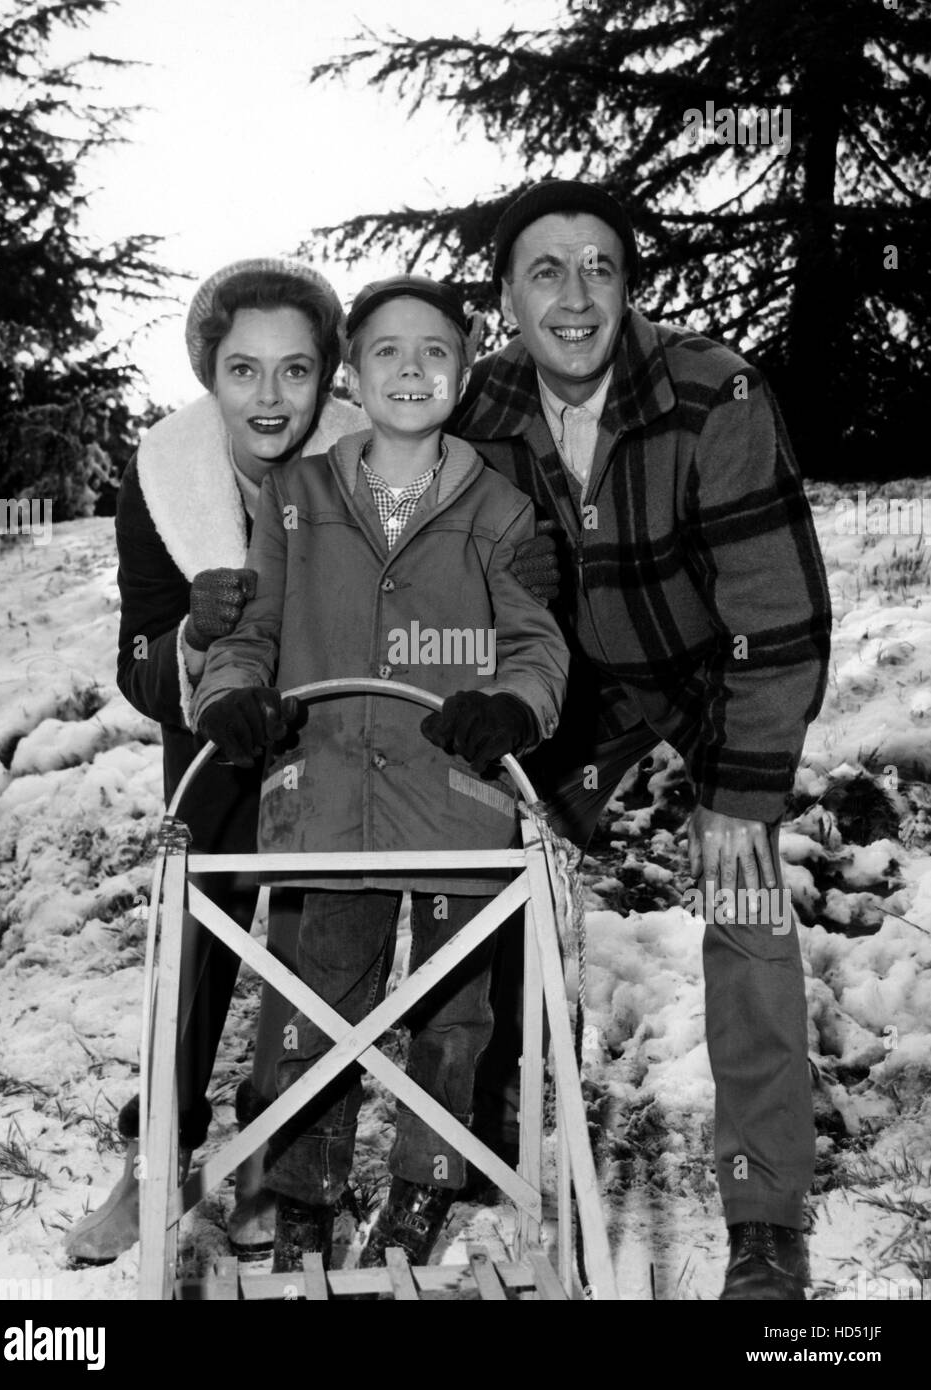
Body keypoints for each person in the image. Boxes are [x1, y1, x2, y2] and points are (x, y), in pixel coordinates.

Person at [452, 181, 832, 1301]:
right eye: (544, 272)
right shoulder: (478, 410)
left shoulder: (715, 394)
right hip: (574, 682)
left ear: (630, 286)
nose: (575, 297)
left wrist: (739, 797)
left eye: (600, 268)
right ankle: (474, 1143)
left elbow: (781, 615)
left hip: (719, 668)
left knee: (748, 899)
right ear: (505, 299)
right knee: (485, 867)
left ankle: (764, 1219)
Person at [191, 274, 570, 1271]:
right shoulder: (297, 497)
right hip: (326, 794)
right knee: (316, 1008)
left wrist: (512, 705)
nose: (412, 369)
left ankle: (421, 1189)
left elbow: (533, 643)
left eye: (435, 350)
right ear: (353, 372)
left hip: (453, 801)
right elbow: (254, 630)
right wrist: (229, 693)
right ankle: (304, 1195)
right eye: (388, 351)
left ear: (464, 366)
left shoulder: (496, 507)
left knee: (454, 1017)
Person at [64, 258, 366, 1264]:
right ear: (210, 374)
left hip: (329, 732)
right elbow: (138, 667)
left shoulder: (370, 456)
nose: (269, 397)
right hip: (213, 742)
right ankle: (155, 1154)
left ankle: (274, 1157)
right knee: (192, 940)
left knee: (307, 934)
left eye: (294, 370)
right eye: (243, 371)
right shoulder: (159, 476)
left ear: (326, 375)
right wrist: (191, 642)